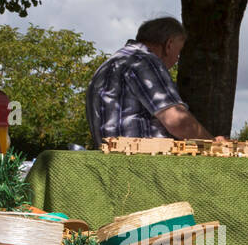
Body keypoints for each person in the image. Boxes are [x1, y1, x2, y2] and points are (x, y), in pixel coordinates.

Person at [86, 17, 219, 148]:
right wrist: (214, 144)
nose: (177, 59)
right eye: (178, 52)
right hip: (143, 163)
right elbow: (177, 122)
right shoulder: (144, 61)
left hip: (111, 161)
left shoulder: (109, 64)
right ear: (169, 45)